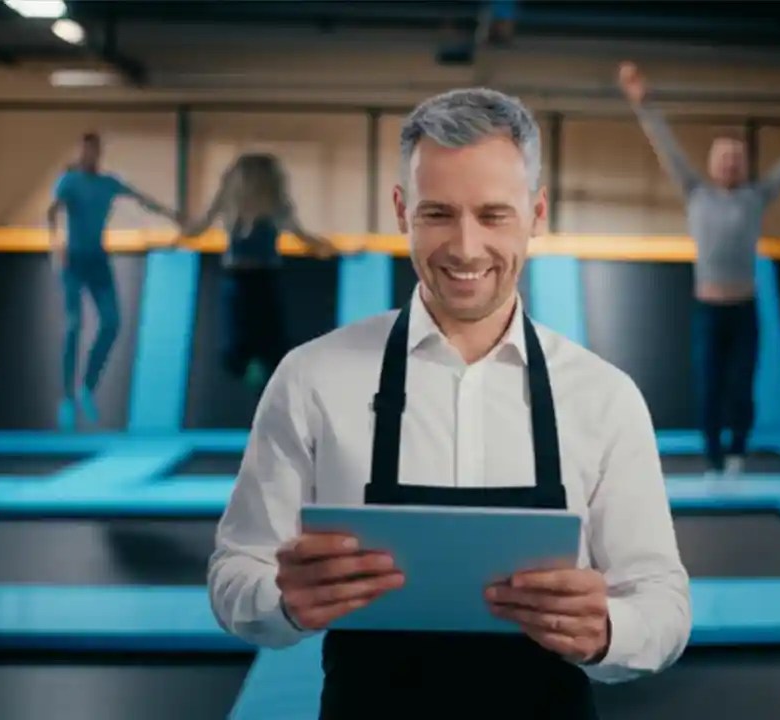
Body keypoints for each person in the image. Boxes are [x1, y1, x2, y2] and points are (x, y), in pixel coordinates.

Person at [208, 88, 691, 718]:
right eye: (439, 214)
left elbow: (662, 601)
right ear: (402, 210)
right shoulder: (311, 379)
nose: (466, 248)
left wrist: (607, 633)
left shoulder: (605, 397)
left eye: (493, 215)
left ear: (537, 213)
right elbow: (234, 573)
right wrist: (283, 601)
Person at [618, 61, 780, 480]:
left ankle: (737, 451)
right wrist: (643, 103)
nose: (730, 164)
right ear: (711, 163)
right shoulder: (695, 192)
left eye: (737, 159)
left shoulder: (758, 195)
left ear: (743, 165)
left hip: (744, 309)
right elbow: (665, 145)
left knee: (741, 388)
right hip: (708, 309)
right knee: (709, 388)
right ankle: (713, 458)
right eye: (724, 158)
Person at [46, 132, 179, 430]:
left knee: (112, 322)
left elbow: (142, 199)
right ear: (81, 153)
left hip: (97, 260)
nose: (89, 157)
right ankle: (67, 397)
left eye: (94, 152)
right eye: (86, 152)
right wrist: (56, 246)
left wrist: (172, 214)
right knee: (73, 324)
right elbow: (52, 212)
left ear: (98, 154)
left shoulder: (108, 183)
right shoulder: (68, 182)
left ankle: (87, 386)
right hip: (74, 260)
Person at [177, 153, 338, 393]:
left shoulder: (271, 205)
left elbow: (301, 235)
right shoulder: (235, 204)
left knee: (257, 344)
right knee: (247, 345)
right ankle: (258, 372)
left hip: (252, 278)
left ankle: (262, 376)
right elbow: (199, 227)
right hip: (250, 278)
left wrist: (328, 248)